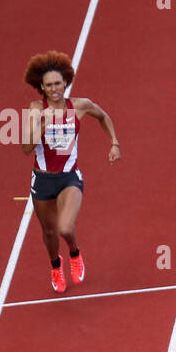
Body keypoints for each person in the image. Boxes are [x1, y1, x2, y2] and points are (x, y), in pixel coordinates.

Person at [22, 50, 121, 293]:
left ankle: (75, 254)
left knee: (65, 228)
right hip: (42, 180)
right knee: (49, 231)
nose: (54, 88)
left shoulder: (80, 106)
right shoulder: (36, 109)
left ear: (66, 82)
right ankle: (56, 265)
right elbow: (25, 148)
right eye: (49, 85)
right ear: (41, 87)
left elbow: (103, 116)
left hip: (69, 177)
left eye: (58, 83)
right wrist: (42, 125)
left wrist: (114, 143)